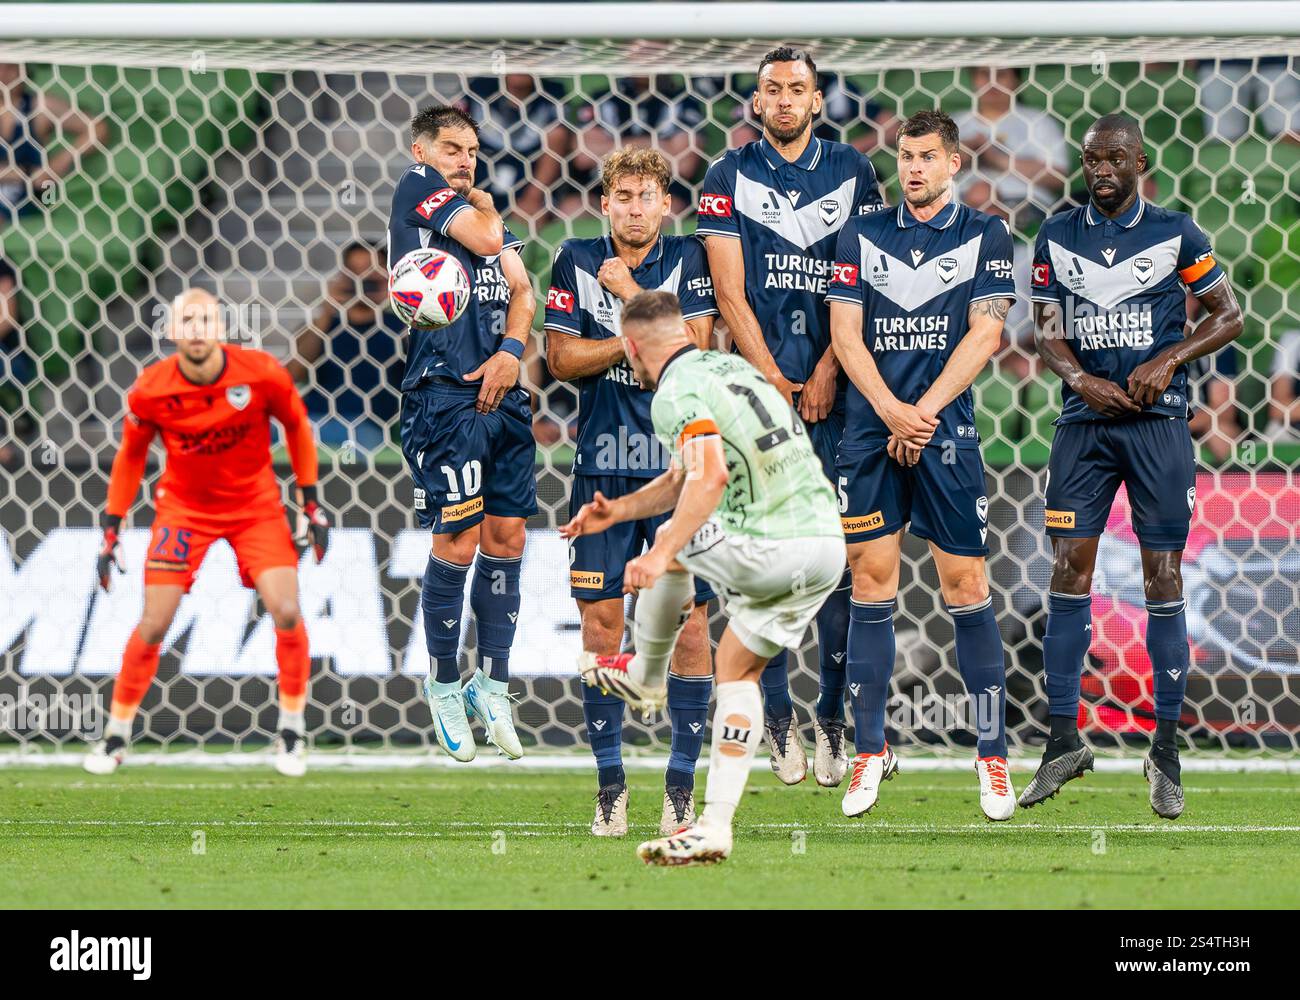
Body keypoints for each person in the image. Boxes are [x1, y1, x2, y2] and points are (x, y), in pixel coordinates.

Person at [561, 291, 845, 866]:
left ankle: (643, 675)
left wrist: (660, 551)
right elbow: (684, 473)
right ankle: (713, 826)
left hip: (771, 540)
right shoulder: (725, 367)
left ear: (633, 347)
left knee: (682, 542)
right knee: (736, 668)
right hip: (823, 548)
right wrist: (618, 512)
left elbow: (708, 476)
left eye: (628, 353)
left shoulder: (673, 392)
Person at [1025, 114, 1243, 819]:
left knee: (1163, 575)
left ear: (1140, 161)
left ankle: (1166, 751)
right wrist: (1079, 379)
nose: (1102, 168)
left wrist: (1169, 358)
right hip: (1084, 425)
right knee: (1067, 569)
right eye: (1092, 158)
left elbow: (1229, 316)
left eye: (1115, 157)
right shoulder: (1056, 235)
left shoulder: (1178, 232)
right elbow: (1046, 332)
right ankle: (1063, 739)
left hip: (1158, 424)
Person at [697, 45, 883, 787]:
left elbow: (866, 276)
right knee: (761, 561)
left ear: (817, 101)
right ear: (756, 101)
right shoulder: (726, 176)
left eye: (796, 89)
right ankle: (778, 724)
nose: (782, 100)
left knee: (837, 563)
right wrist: (772, 376)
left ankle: (833, 721)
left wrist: (831, 368)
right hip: (757, 393)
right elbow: (729, 290)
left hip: (838, 390)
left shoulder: (855, 172)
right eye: (770, 89)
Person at [827, 109, 1019, 821]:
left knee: (965, 586)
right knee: (871, 584)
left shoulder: (984, 235)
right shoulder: (862, 231)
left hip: (945, 432)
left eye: (927, 157)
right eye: (905, 155)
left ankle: (993, 757)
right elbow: (844, 333)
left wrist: (922, 414)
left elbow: (987, 332)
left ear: (954, 164)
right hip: (871, 431)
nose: (913, 167)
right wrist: (889, 412)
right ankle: (869, 752)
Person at [83, 289, 330, 777]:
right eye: (187, 320)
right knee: (154, 622)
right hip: (183, 511)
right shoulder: (151, 388)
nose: (196, 329)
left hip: (254, 507)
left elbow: (298, 427)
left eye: (205, 319)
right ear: (172, 331)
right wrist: (112, 527)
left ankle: (291, 732)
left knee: (285, 609)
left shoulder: (259, 373)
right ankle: (115, 735)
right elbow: (131, 455)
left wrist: (311, 503)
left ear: (221, 327)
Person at [544, 148, 718, 837]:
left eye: (648, 196)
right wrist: (639, 340)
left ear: (665, 205)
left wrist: (622, 304)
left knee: (691, 624)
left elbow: (698, 350)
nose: (636, 208)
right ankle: (611, 786)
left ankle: (680, 786)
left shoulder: (690, 257)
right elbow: (561, 360)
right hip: (601, 467)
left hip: (680, 466)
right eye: (624, 196)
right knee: (600, 625)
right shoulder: (573, 259)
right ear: (605, 203)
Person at [388, 105, 537, 762]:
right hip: (444, 392)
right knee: (459, 538)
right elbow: (484, 242)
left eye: (472, 149)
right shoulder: (417, 189)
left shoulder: (478, 209)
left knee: (507, 537)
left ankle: (492, 683)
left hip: (502, 389)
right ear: (422, 150)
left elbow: (523, 290)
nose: (464, 158)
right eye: (451, 147)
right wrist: (478, 207)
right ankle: (444, 682)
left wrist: (511, 350)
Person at [288, 240, 403, 451]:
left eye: (370, 271)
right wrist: (327, 311)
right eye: (354, 272)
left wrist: (393, 300)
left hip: (365, 427)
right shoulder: (323, 325)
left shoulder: (401, 328)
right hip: (313, 418)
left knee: (360, 444)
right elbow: (293, 373)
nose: (362, 279)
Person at [0, 62, 109, 227]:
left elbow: (97, 128)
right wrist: (24, 173)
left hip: (36, 194)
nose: (4, 74)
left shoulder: (41, 105)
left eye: (10, 67)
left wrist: (58, 164)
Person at [954, 65, 1068, 220]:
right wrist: (964, 154)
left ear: (1016, 80)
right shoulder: (954, 123)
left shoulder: (1038, 121)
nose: (992, 81)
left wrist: (995, 158)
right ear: (973, 78)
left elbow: (1057, 177)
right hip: (962, 200)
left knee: (986, 207)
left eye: (1001, 74)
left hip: (1021, 203)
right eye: (984, 74)